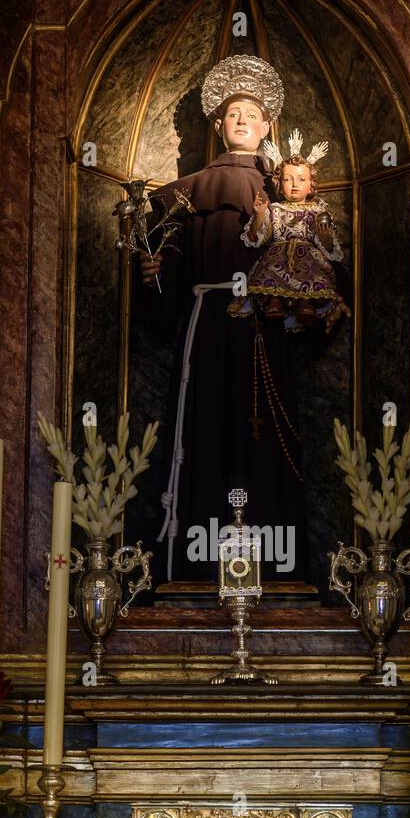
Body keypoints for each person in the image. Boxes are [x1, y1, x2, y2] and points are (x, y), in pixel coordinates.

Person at [137, 56, 348, 585]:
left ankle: (276, 574)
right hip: (207, 329)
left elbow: (318, 260)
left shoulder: (287, 191)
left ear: (268, 125)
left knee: (264, 438)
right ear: (217, 123)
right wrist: (152, 271)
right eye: (233, 112)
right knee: (205, 434)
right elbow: (165, 278)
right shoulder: (187, 192)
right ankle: (191, 570)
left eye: (252, 113)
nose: (241, 120)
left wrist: (315, 301)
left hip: (264, 327)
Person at [229, 130, 349, 331]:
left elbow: (329, 246)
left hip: (309, 256)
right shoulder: (275, 210)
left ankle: (306, 304)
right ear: (279, 184)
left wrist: (326, 240)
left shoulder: (317, 211)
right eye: (288, 179)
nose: (294, 185)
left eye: (301, 180)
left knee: (312, 274)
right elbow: (259, 237)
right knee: (271, 272)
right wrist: (259, 216)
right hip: (277, 255)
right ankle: (274, 301)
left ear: (311, 186)